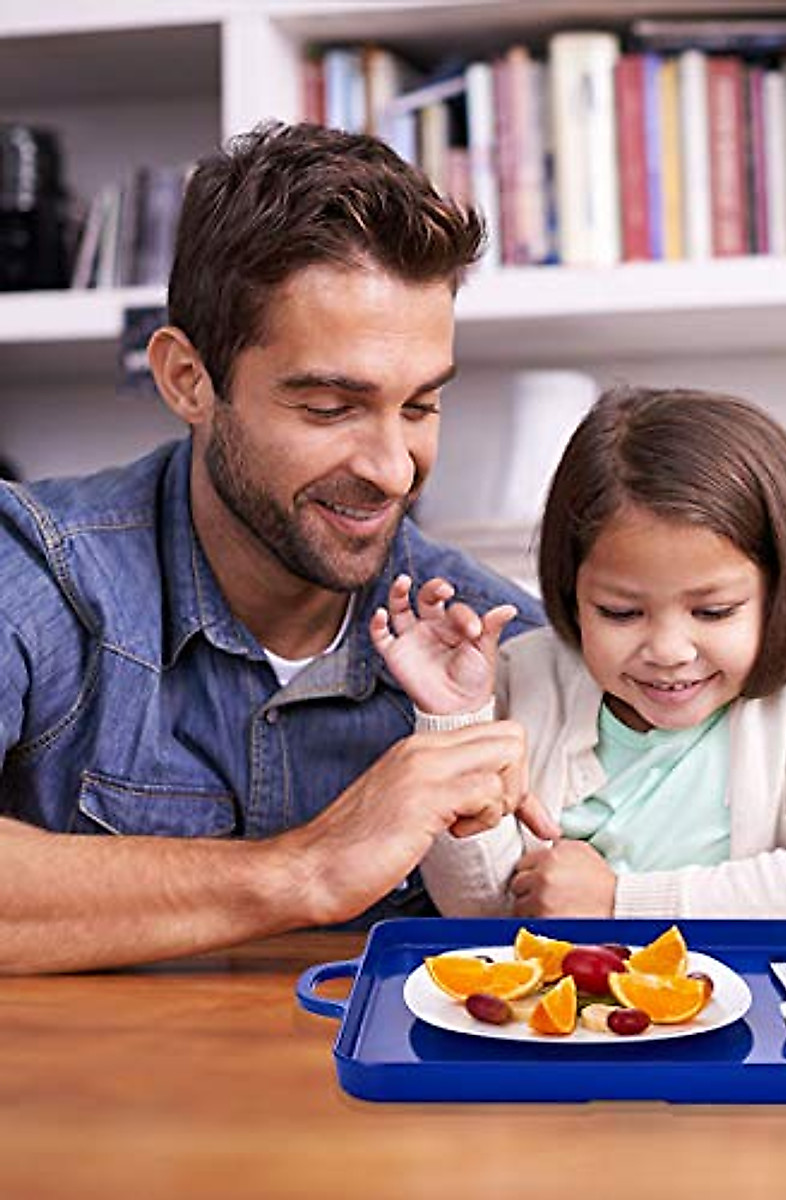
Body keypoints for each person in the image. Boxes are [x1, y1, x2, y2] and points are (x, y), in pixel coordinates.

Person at [0, 122, 556, 975]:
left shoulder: (502, 643)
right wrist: (307, 869)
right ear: (188, 379)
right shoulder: (36, 573)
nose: (393, 469)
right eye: (331, 408)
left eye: (419, 406)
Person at [370, 386, 786, 931]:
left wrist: (619, 902)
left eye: (714, 612)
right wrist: (456, 724)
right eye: (621, 613)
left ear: (781, 587)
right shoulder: (526, 674)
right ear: (573, 592)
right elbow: (482, 910)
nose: (669, 652)